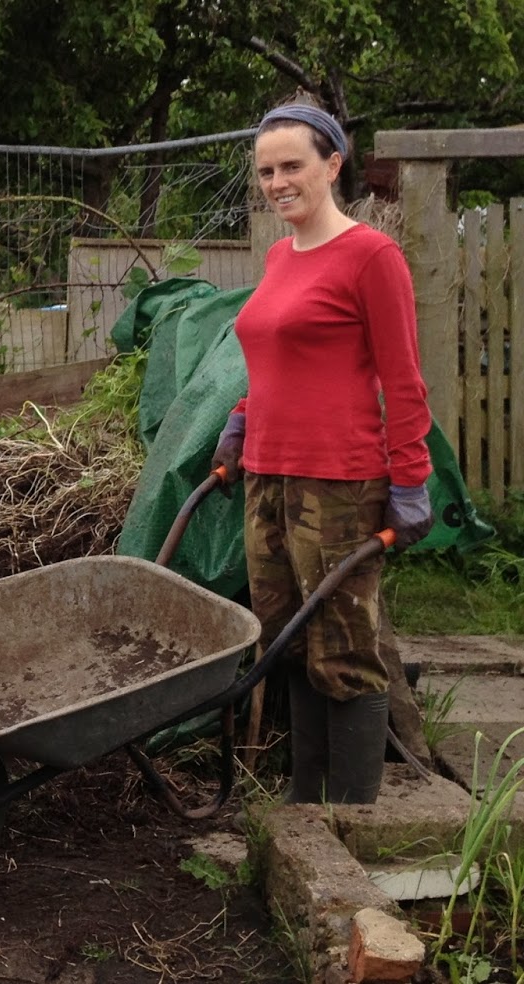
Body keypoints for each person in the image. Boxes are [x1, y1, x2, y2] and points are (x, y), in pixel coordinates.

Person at [212, 99, 434, 805]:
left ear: (333, 165)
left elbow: (404, 381)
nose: (278, 183)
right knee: (287, 640)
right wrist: (241, 419)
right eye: (266, 171)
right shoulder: (280, 256)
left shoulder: (372, 257)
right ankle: (305, 805)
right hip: (267, 476)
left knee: (343, 650)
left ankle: (352, 814)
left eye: (292, 166)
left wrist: (411, 480)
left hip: (338, 483)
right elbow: (275, 364)